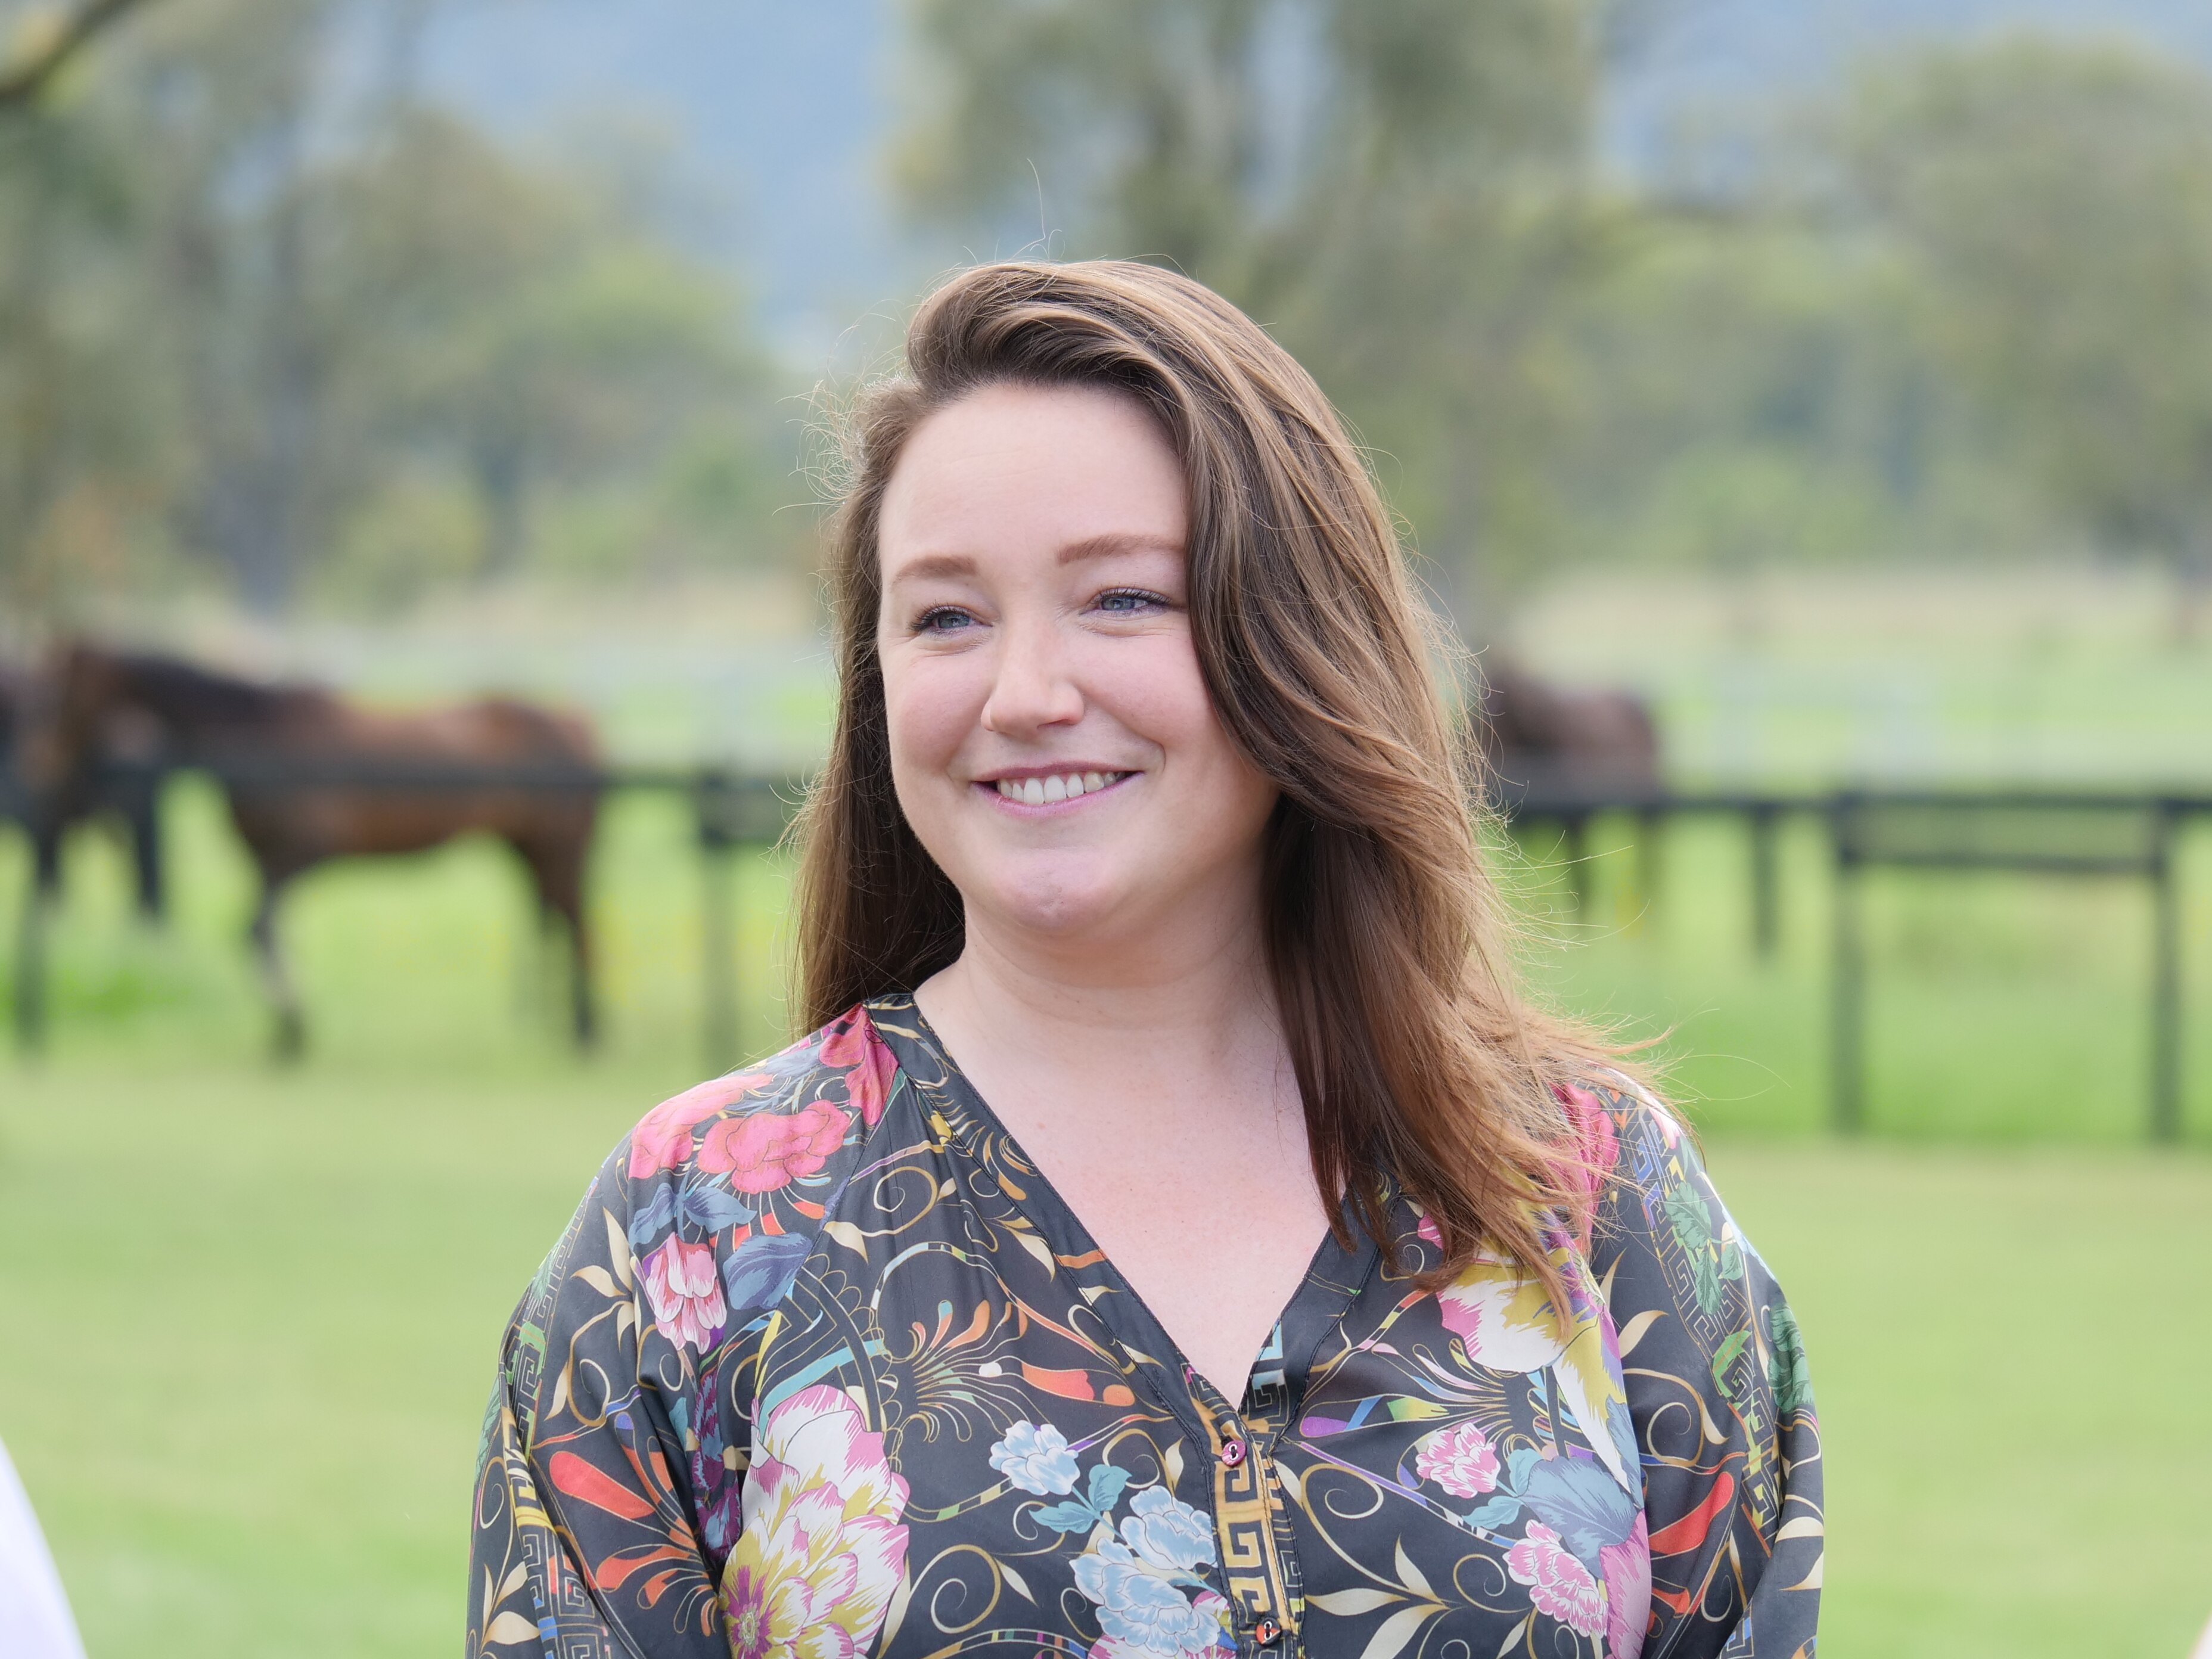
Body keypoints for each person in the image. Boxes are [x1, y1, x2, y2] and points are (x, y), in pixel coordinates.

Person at [468, 261, 1822, 1659]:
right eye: (944, 616)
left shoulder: (1590, 1194)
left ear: (1295, 635)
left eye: (1120, 600)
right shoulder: (693, 1231)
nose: (1025, 694)